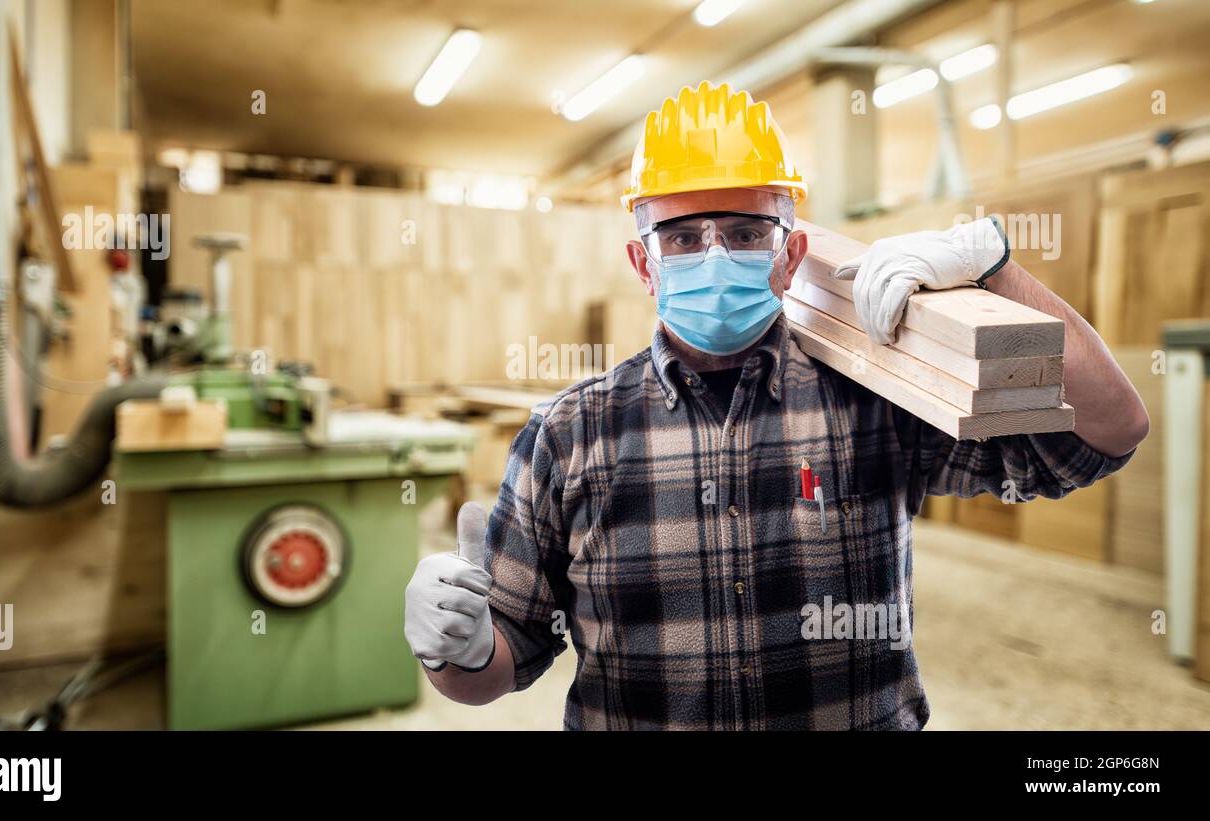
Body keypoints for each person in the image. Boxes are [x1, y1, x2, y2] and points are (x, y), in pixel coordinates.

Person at [404, 82, 1148, 730]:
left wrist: (995, 273)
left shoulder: (880, 399)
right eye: (684, 235)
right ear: (643, 262)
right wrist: (458, 648)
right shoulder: (568, 437)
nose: (717, 254)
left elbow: (1110, 431)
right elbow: (501, 661)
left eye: (745, 230)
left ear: (791, 254)